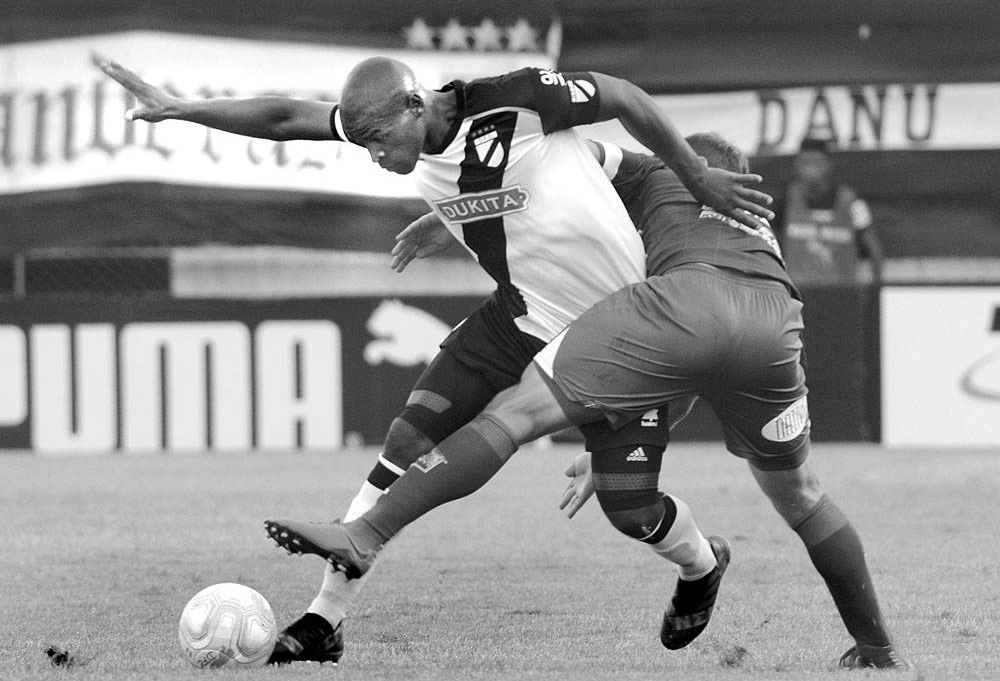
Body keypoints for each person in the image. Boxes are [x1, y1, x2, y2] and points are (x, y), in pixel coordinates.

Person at [94, 54, 773, 664]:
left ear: (415, 105)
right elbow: (284, 119)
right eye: (362, 142)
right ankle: (325, 619)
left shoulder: (519, 101)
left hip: (616, 331)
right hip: (520, 315)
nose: (373, 154)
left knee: (631, 510)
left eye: (379, 140)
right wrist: (179, 109)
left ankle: (700, 564)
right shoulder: (395, 126)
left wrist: (697, 177)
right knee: (406, 438)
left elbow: (622, 96)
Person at [266, 133, 918, 675]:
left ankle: (366, 532)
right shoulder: (758, 222)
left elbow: (557, 164)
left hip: (676, 307)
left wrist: (453, 216)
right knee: (799, 495)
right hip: (773, 328)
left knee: (515, 414)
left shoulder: (658, 169)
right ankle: (878, 649)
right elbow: (711, 350)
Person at [777, 136, 884, 287]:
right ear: (797, 164)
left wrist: (876, 288)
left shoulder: (852, 201)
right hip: (797, 292)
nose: (810, 169)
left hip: (842, 292)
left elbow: (872, 245)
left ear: (828, 164)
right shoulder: (786, 199)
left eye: (816, 162)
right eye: (805, 162)